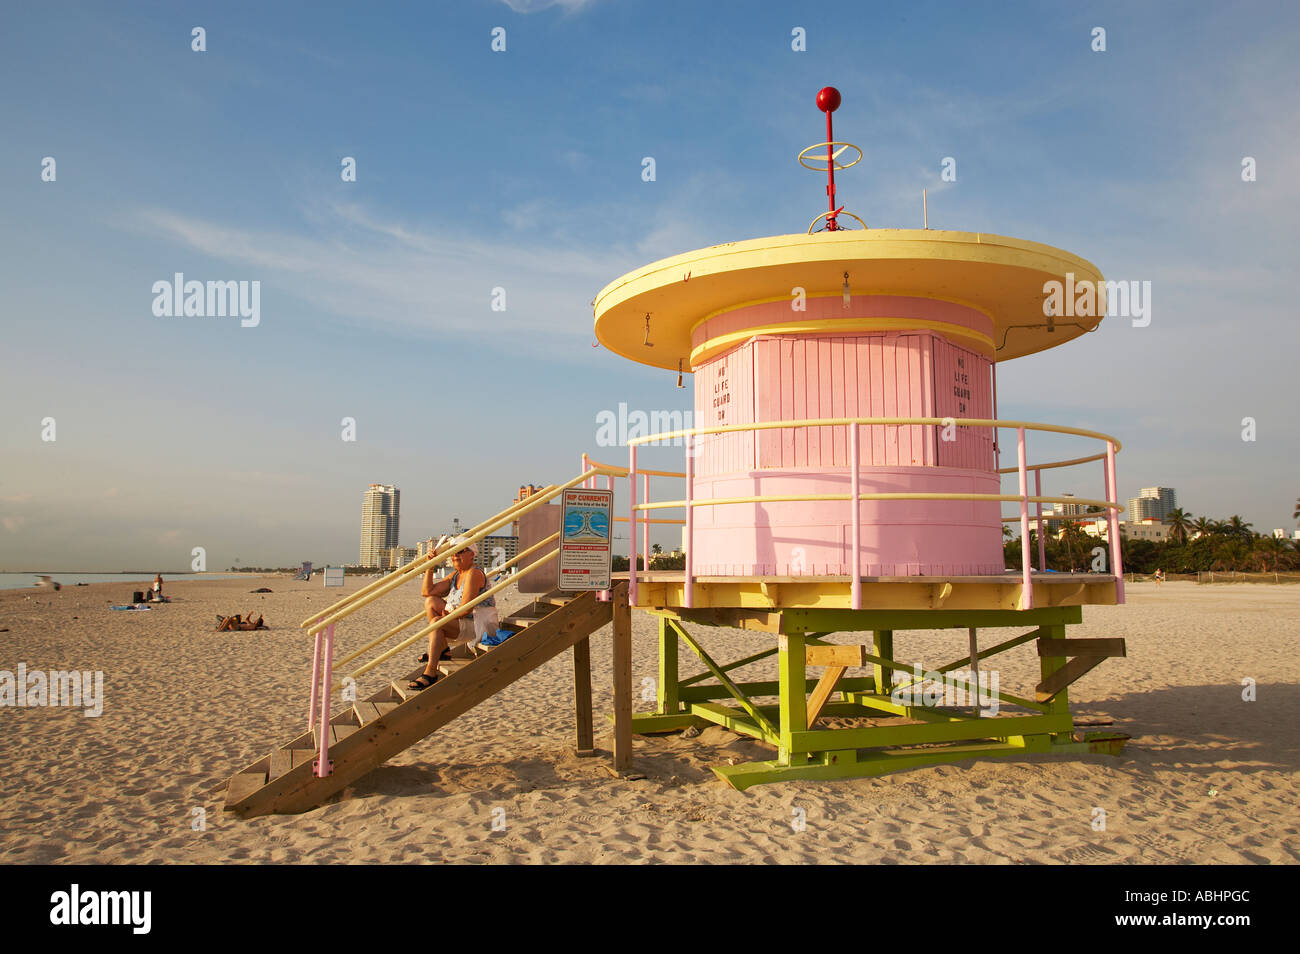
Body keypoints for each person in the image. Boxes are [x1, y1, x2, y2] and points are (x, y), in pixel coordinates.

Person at [409, 542, 493, 689]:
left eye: (460, 551)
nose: (455, 556)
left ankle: (430, 672)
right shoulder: (456, 575)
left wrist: (448, 616)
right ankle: (443, 649)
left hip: (479, 624)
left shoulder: (474, 573)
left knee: (436, 621)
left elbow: (466, 609)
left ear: (472, 554)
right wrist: (430, 566)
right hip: (462, 620)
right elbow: (427, 591)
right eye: (453, 552)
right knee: (431, 602)